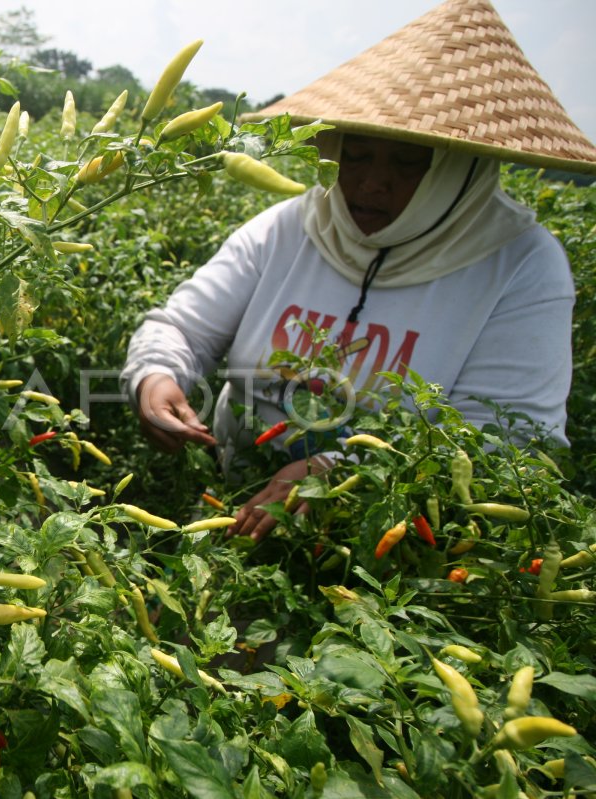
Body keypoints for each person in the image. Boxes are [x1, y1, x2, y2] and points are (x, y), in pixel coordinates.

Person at [120, 0, 596, 541]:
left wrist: (338, 474)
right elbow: (181, 327)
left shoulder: (518, 264)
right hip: (230, 508)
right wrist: (157, 375)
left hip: (389, 547)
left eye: (408, 162)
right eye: (358, 155)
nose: (372, 185)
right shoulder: (294, 226)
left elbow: (507, 441)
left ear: (460, 167)